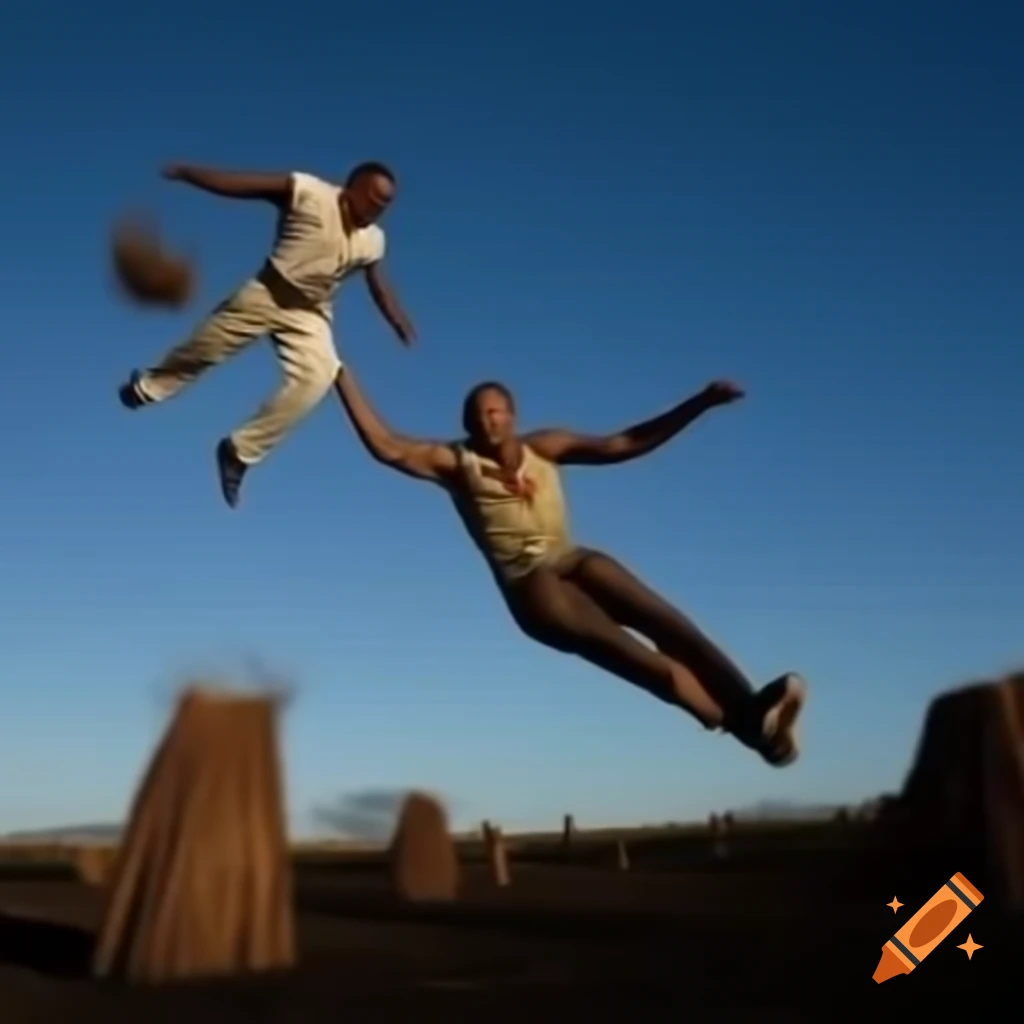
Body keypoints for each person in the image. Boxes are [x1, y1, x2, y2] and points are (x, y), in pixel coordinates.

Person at [332, 366, 807, 766]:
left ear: (512, 416)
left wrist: (699, 403)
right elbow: (387, 445)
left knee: (669, 624)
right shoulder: (455, 463)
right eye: (476, 414)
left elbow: (623, 443)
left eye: (494, 410)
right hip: (531, 586)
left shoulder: (545, 447)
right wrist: (339, 375)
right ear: (466, 423)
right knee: (646, 663)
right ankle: (741, 725)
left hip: (570, 559)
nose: (485, 419)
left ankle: (757, 718)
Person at [118, 161, 414, 508]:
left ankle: (239, 451)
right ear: (351, 188)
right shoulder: (309, 193)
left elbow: (378, 283)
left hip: (310, 312)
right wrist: (189, 174)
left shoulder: (374, 241)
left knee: (318, 378)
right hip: (267, 292)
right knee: (205, 349)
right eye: (373, 199)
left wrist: (396, 317)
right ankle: (147, 387)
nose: (377, 210)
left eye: (385, 205)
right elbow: (240, 183)